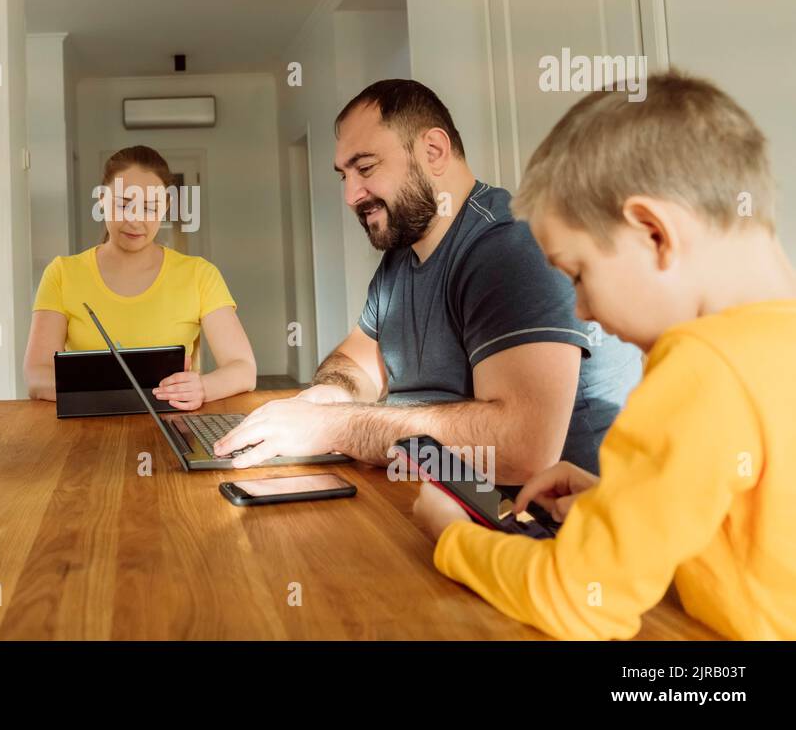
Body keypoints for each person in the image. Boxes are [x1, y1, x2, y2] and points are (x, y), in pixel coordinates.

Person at [412, 70, 796, 640]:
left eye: (577, 274)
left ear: (654, 233)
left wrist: (455, 539)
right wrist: (616, 499)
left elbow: (580, 601)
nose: (584, 311)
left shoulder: (701, 365)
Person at [214, 80, 642, 482]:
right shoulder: (403, 253)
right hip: (443, 496)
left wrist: (334, 427)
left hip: (551, 529)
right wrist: (326, 397)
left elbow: (521, 450)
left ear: (434, 151)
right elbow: (357, 363)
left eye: (365, 167)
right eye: (344, 175)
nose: (350, 195)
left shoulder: (510, 248)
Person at [24, 145, 256, 410]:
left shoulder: (200, 275)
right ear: (101, 200)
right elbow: (36, 376)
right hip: (86, 426)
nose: (135, 220)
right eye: (123, 204)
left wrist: (202, 388)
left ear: (166, 206)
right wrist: (115, 392)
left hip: (172, 421)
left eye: (149, 207)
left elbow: (244, 369)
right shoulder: (62, 273)